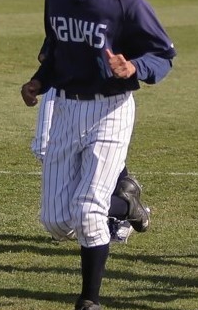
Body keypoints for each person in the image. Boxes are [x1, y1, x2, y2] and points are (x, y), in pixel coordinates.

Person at [20, 0, 174, 310]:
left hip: (110, 109)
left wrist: (134, 68)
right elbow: (55, 46)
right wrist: (38, 80)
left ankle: (89, 304)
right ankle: (125, 205)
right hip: (66, 106)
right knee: (56, 221)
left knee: (88, 211)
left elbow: (163, 55)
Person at [30, 43, 142, 244]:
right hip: (61, 80)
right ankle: (124, 200)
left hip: (96, 88)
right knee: (44, 148)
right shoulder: (61, 10)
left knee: (67, 149)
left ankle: (119, 207)